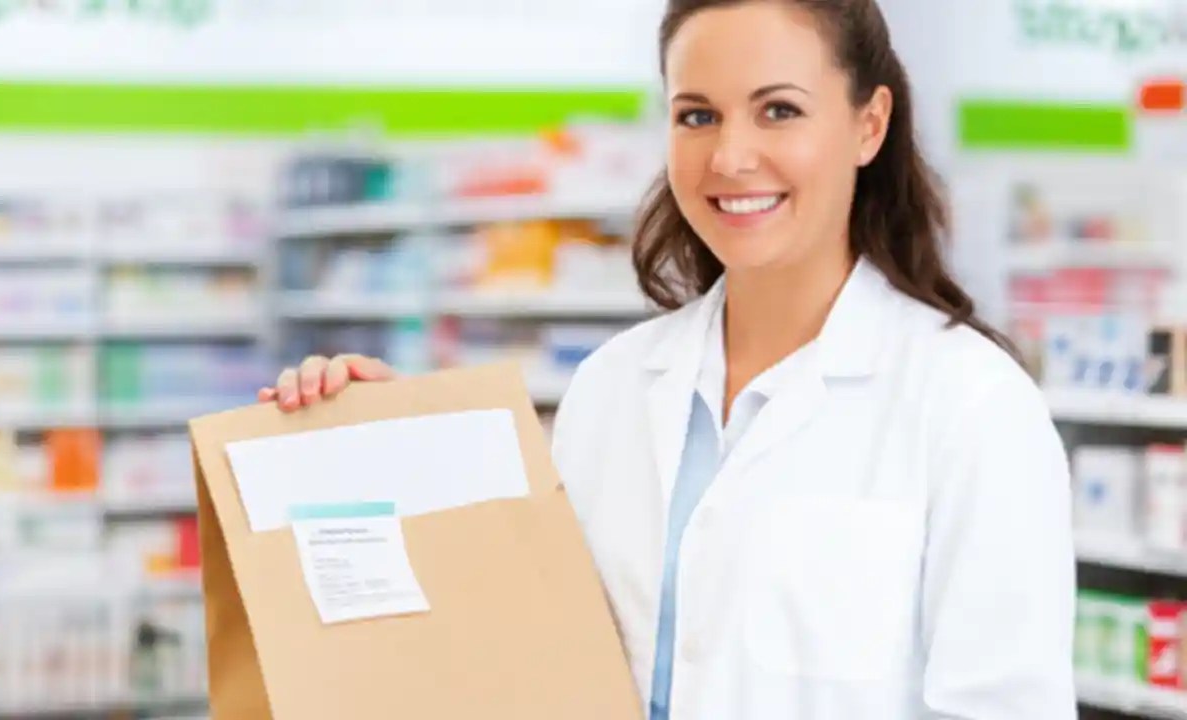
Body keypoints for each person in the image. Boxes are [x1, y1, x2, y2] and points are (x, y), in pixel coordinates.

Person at [258, 0, 1077, 717]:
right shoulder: (613, 385)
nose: (729, 157)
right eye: (697, 115)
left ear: (869, 124)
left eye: (779, 111)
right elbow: (536, 654)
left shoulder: (969, 403)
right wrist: (397, 449)